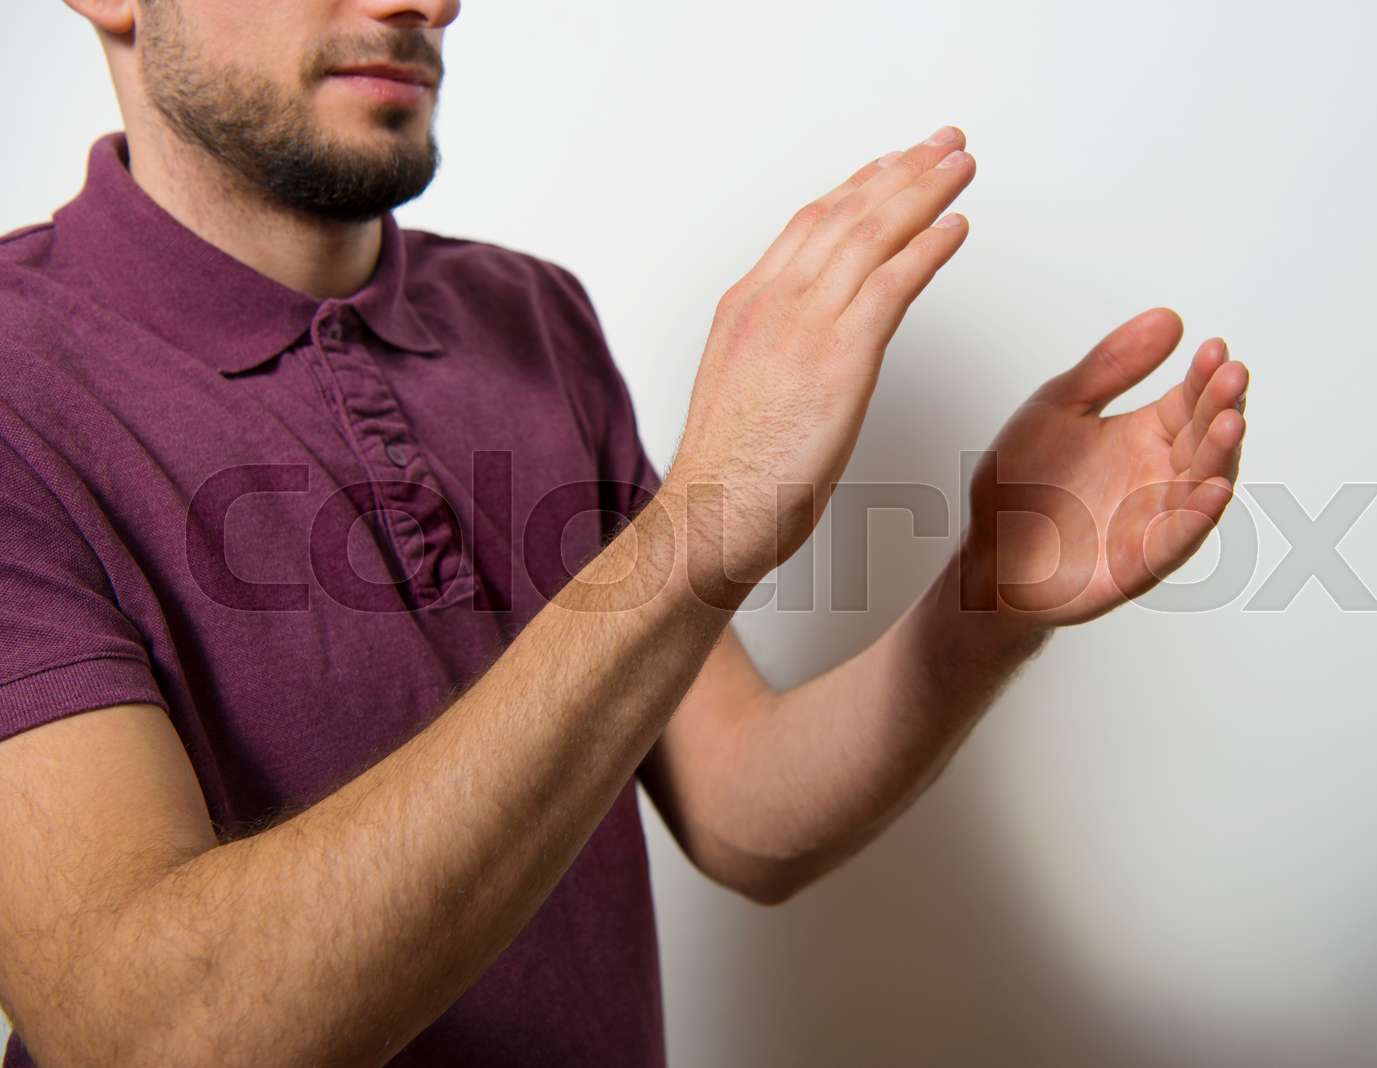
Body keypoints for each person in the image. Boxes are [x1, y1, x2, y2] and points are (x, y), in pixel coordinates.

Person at [0, 1, 1250, 1064]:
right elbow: (150, 1033)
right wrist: (698, 530)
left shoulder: (531, 317)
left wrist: (983, 602)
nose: (426, 0)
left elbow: (741, 807)